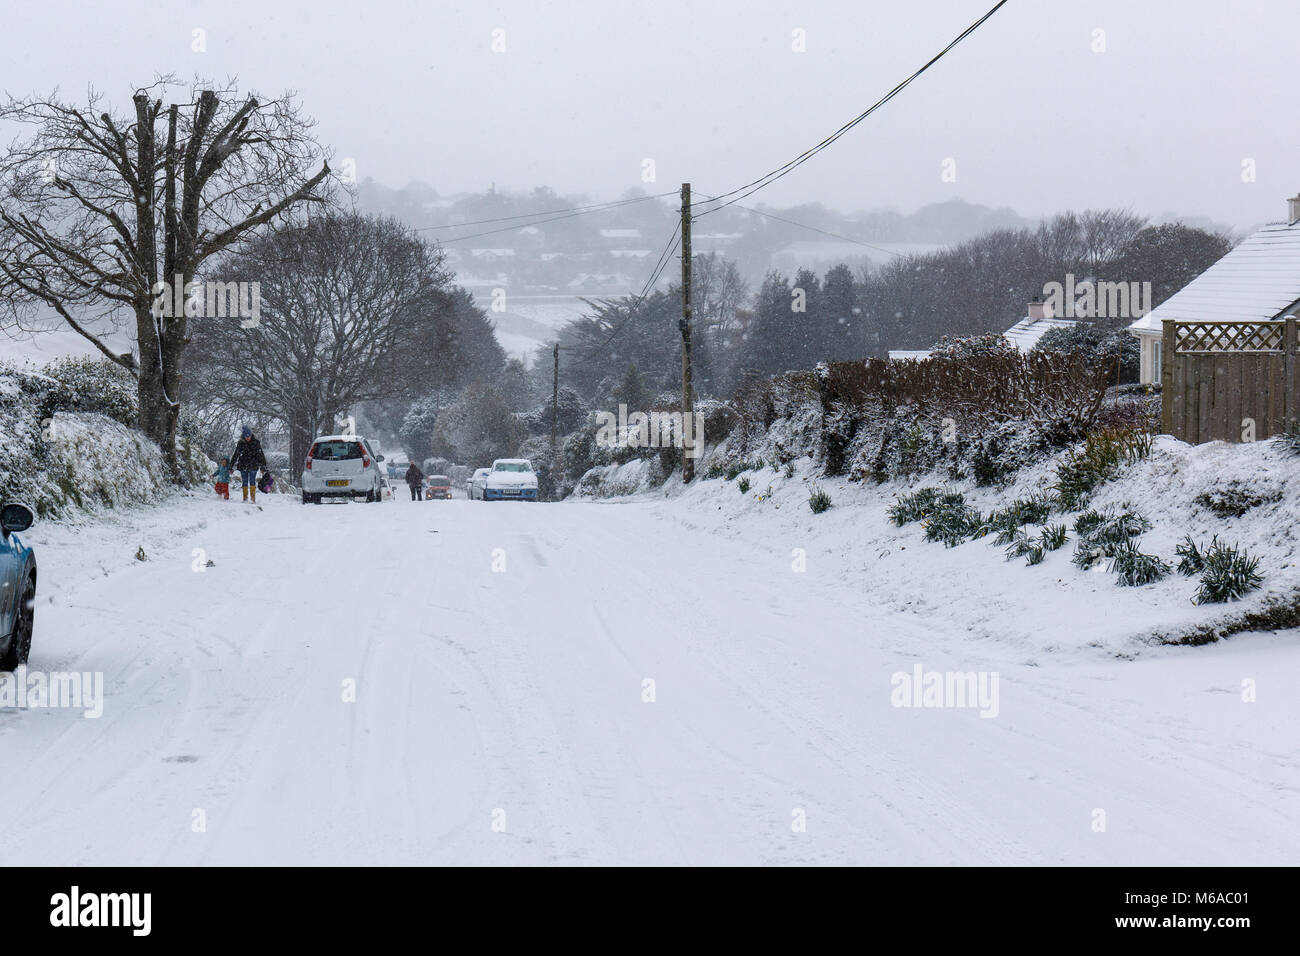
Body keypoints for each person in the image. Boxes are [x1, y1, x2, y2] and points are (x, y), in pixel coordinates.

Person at [229, 426, 267, 503]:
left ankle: (253, 499)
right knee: (245, 481)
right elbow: (236, 454)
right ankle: (245, 498)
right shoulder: (241, 443)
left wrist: (263, 466)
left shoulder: (256, 443)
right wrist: (231, 465)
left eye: (248, 436)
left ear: (251, 435)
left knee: (252, 481)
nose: (247, 438)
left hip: (253, 465)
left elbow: (260, 455)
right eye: (246, 436)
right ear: (244, 436)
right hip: (243, 465)